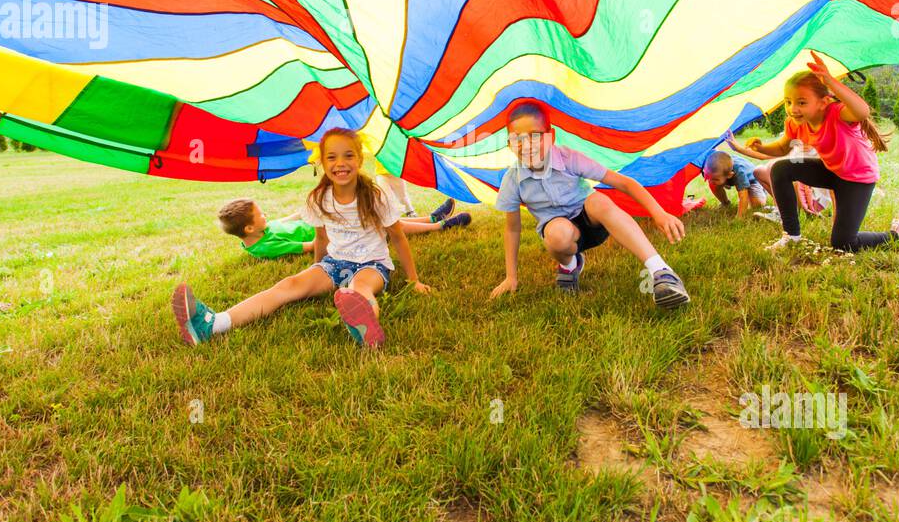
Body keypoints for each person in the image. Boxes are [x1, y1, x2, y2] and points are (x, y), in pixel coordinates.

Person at [173, 128, 432, 349]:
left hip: (372, 265)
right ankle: (213, 325)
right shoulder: (318, 199)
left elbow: (398, 237)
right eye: (332, 157)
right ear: (322, 162)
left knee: (359, 288)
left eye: (348, 155)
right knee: (287, 286)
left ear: (360, 159)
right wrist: (317, 268)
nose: (340, 163)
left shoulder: (376, 196)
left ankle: (367, 331)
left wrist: (414, 280)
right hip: (334, 263)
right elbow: (321, 237)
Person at [488, 101, 690, 307]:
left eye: (535, 136)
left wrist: (659, 213)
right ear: (509, 144)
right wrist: (511, 277)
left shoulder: (569, 158)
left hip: (593, 222)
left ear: (552, 137)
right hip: (563, 235)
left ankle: (661, 271)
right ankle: (570, 265)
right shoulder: (512, 180)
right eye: (518, 139)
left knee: (599, 201)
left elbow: (623, 182)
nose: (527, 145)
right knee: (556, 235)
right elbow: (512, 228)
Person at [744, 53, 899, 252]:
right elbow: (782, 148)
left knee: (844, 243)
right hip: (831, 171)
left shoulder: (837, 113)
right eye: (788, 102)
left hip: (857, 178)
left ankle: (897, 234)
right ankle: (791, 235)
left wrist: (830, 81)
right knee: (780, 169)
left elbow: (862, 111)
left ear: (823, 102)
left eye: (801, 102)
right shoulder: (796, 123)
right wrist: (761, 147)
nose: (792, 109)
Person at [217, 197, 469, 260]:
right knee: (384, 226)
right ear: (249, 228)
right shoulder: (266, 247)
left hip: (328, 220)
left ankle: (431, 218)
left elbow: (291, 218)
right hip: (333, 232)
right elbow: (311, 246)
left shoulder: (263, 230)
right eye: (260, 215)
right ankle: (438, 226)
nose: (266, 215)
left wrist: (310, 208)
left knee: (380, 217)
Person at [701, 148, 767, 218]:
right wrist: (710, 177)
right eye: (708, 176)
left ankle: (763, 189)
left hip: (752, 179)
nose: (710, 181)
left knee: (757, 204)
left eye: (715, 179)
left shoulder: (739, 172)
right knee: (713, 184)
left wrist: (739, 218)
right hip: (725, 177)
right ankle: (725, 203)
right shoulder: (709, 167)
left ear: (729, 175)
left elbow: (743, 195)